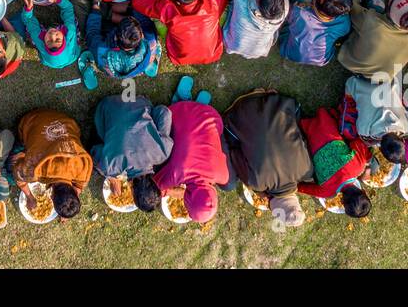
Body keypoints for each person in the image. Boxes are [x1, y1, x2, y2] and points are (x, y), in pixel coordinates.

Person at [223, 90, 313, 227]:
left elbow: (301, 138)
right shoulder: (256, 183)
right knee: (232, 140)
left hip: (280, 104)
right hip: (243, 109)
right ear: (271, 205)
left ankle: (265, 98)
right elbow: (235, 154)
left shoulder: (307, 170)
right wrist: (255, 188)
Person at [91, 93, 173, 212]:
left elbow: (163, 111)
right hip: (107, 106)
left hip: (136, 100)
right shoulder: (110, 167)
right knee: (103, 137)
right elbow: (94, 151)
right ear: (132, 189)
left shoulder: (162, 153)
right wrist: (111, 177)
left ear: (155, 182)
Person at [154, 99, 231, 222]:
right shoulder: (176, 174)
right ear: (187, 198)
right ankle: (184, 105)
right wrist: (171, 192)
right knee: (157, 165)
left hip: (211, 115)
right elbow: (153, 188)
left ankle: (195, 109)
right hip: (177, 111)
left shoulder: (224, 176)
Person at [9, 107, 93, 219]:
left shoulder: (83, 169)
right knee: (10, 171)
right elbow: (18, 176)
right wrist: (29, 197)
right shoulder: (35, 170)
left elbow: (79, 186)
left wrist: (68, 209)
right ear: (52, 196)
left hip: (65, 121)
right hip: (33, 120)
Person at [296, 99, 371, 215]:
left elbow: (357, 143)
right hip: (305, 132)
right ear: (342, 201)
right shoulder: (326, 192)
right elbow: (300, 187)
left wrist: (367, 164)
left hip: (325, 121)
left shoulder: (358, 166)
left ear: (364, 190)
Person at [83, 0, 160, 81]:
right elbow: (144, 19)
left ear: (115, 37)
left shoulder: (102, 51)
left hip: (110, 66)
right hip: (141, 62)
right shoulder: (150, 39)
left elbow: (92, 32)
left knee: (82, 9)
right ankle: (150, 62)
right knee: (129, 8)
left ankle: (96, 3)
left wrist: (96, 2)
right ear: (141, 34)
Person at [281, 0, 353, 66]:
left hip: (288, 51)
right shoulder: (345, 23)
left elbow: (280, 5)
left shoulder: (299, 12)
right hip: (320, 60)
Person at [18, 0, 79, 69]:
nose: (53, 35)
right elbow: (68, 8)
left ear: (44, 43)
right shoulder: (70, 32)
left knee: (31, 32)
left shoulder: (38, 39)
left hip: (50, 61)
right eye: (58, 40)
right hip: (72, 56)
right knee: (73, 22)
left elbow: (27, 20)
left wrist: (28, 9)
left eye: (49, 41)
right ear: (64, 38)